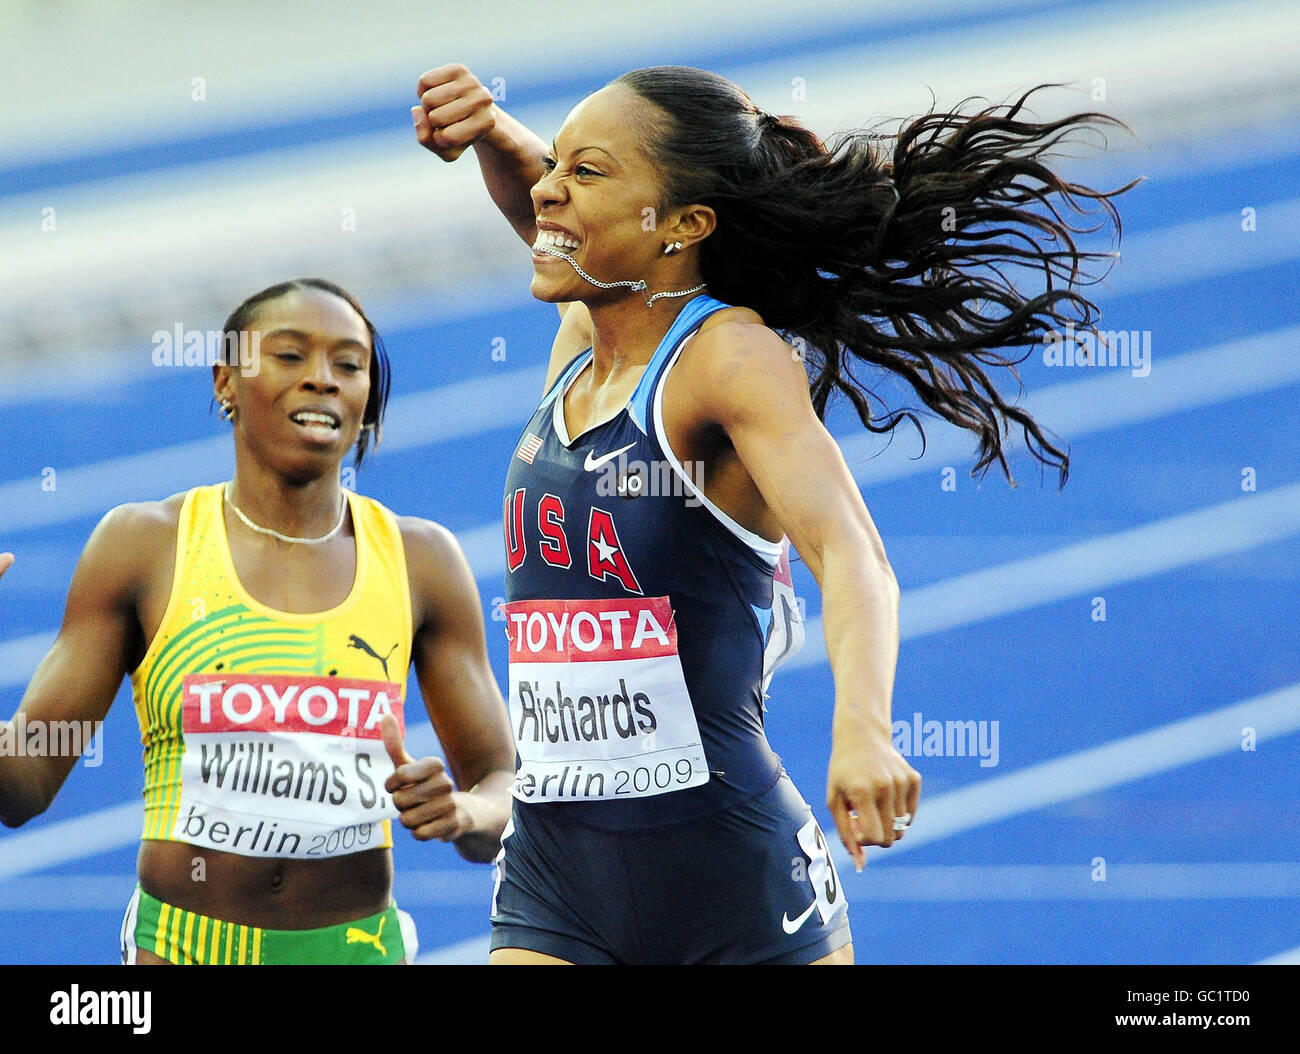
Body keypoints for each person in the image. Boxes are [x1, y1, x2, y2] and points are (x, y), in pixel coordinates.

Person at [412, 64, 1132, 964]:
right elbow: (557, 224)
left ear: (684, 225)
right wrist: (496, 135)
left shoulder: (726, 361)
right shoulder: (584, 336)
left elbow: (852, 553)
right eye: (553, 165)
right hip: (557, 869)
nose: (549, 193)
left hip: (731, 876)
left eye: (587, 172)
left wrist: (864, 731)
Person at [0, 278, 515, 964]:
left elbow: (504, 790)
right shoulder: (144, 546)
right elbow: (22, 788)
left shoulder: (421, 560)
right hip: (183, 948)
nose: (323, 381)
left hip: (356, 948)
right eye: (290, 356)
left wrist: (464, 813)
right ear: (227, 382)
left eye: (349, 365)